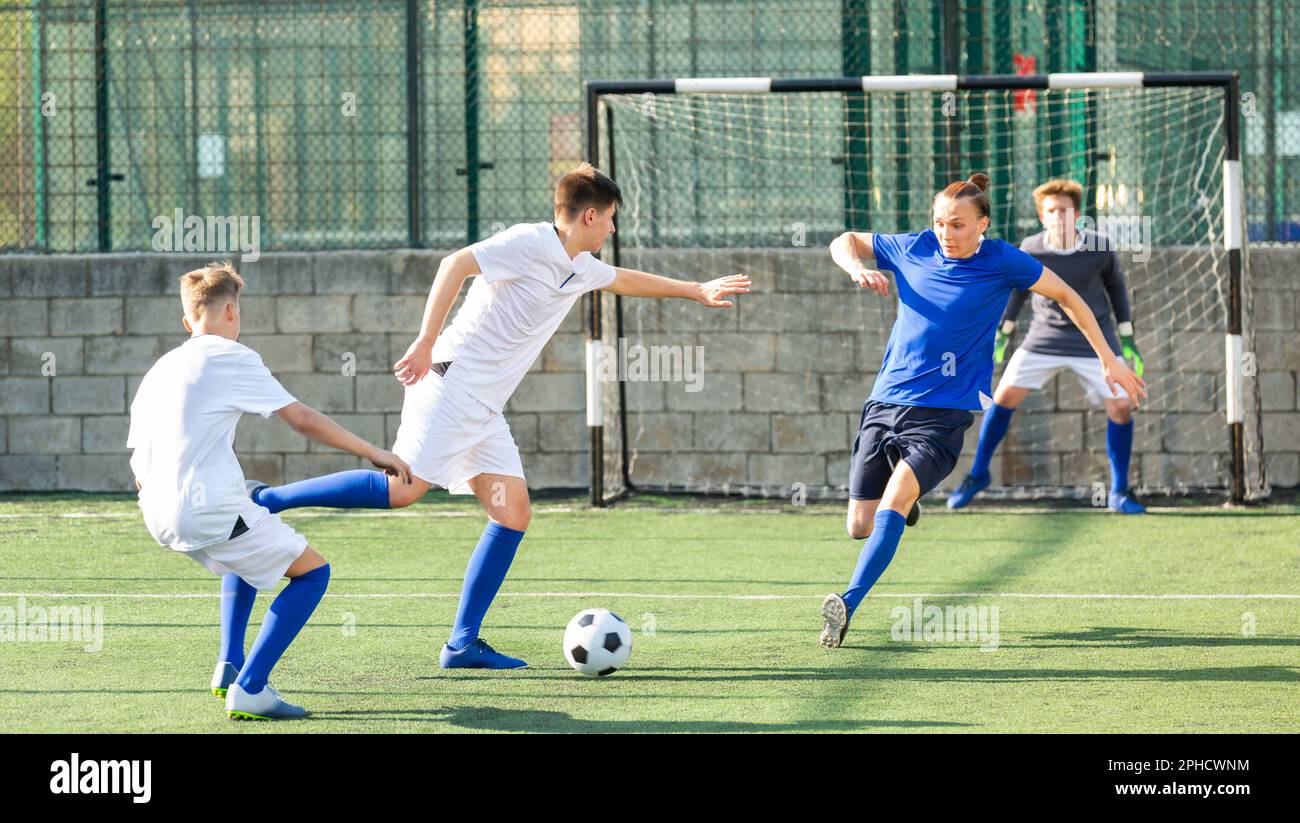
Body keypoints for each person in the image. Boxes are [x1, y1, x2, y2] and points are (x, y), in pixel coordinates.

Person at [249, 163, 751, 669]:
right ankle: (268, 499)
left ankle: (462, 644)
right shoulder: (529, 242)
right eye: (611, 219)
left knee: (512, 513)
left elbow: (622, 279)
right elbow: (454, 264)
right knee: (403, 489)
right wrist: (424, 342)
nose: (613, 230)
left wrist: (694, 289)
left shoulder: (581, 263)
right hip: (449, 386)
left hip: (483, 409)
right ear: (591, 215)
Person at [820, 173, 1147, 649]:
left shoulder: (1004, 261)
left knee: (891, 505)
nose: (946, 234)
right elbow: (844, 239)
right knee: (858, 526)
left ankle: (846, 604)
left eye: (957, 225)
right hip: (885, 402)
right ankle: (908, 504)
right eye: (939, 223)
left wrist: (1109, 358)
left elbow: (1069, 298)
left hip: (942, 416)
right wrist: (855, 267)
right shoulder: (913, 248)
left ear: (982, 225)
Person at [127, 261, 411, 719]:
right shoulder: (231, 355)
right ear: (233, 314)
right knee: (312, 573)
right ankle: (251, 688)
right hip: (203, 512)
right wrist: (374, 451)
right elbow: (300, 418)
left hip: (155, 513)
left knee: (243, 541)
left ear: (187, 322)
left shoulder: (160, 368)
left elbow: (138, 463)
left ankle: (229, 664)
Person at [948, 178, 1146, 513]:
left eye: (1065, 211)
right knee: (1003, 396)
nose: (1059, 216)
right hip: (1043, 338)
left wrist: (1127, 342)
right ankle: (978, 474)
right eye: (1052, 211)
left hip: (1094, 340)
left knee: (1121, 407)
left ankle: (1120, 492)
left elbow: (1118, 292)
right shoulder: (1031, 248)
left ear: (1078, 214)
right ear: (1043, 216)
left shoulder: (1099, 247)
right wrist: (1003, 333)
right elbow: (1017, 293)